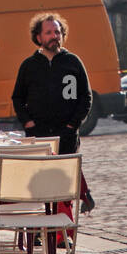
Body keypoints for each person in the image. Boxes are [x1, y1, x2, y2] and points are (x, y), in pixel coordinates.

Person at [12, 12, 91, 159]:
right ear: (38, 37)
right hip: (38, 136)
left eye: (57, 32)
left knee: (66, 177)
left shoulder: (73, 62)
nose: (54, 36)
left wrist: (72, 125)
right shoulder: (29, 66)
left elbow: (86, 97)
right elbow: (17, 98)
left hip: (67, 137)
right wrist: (28, 123)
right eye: (48, 32)